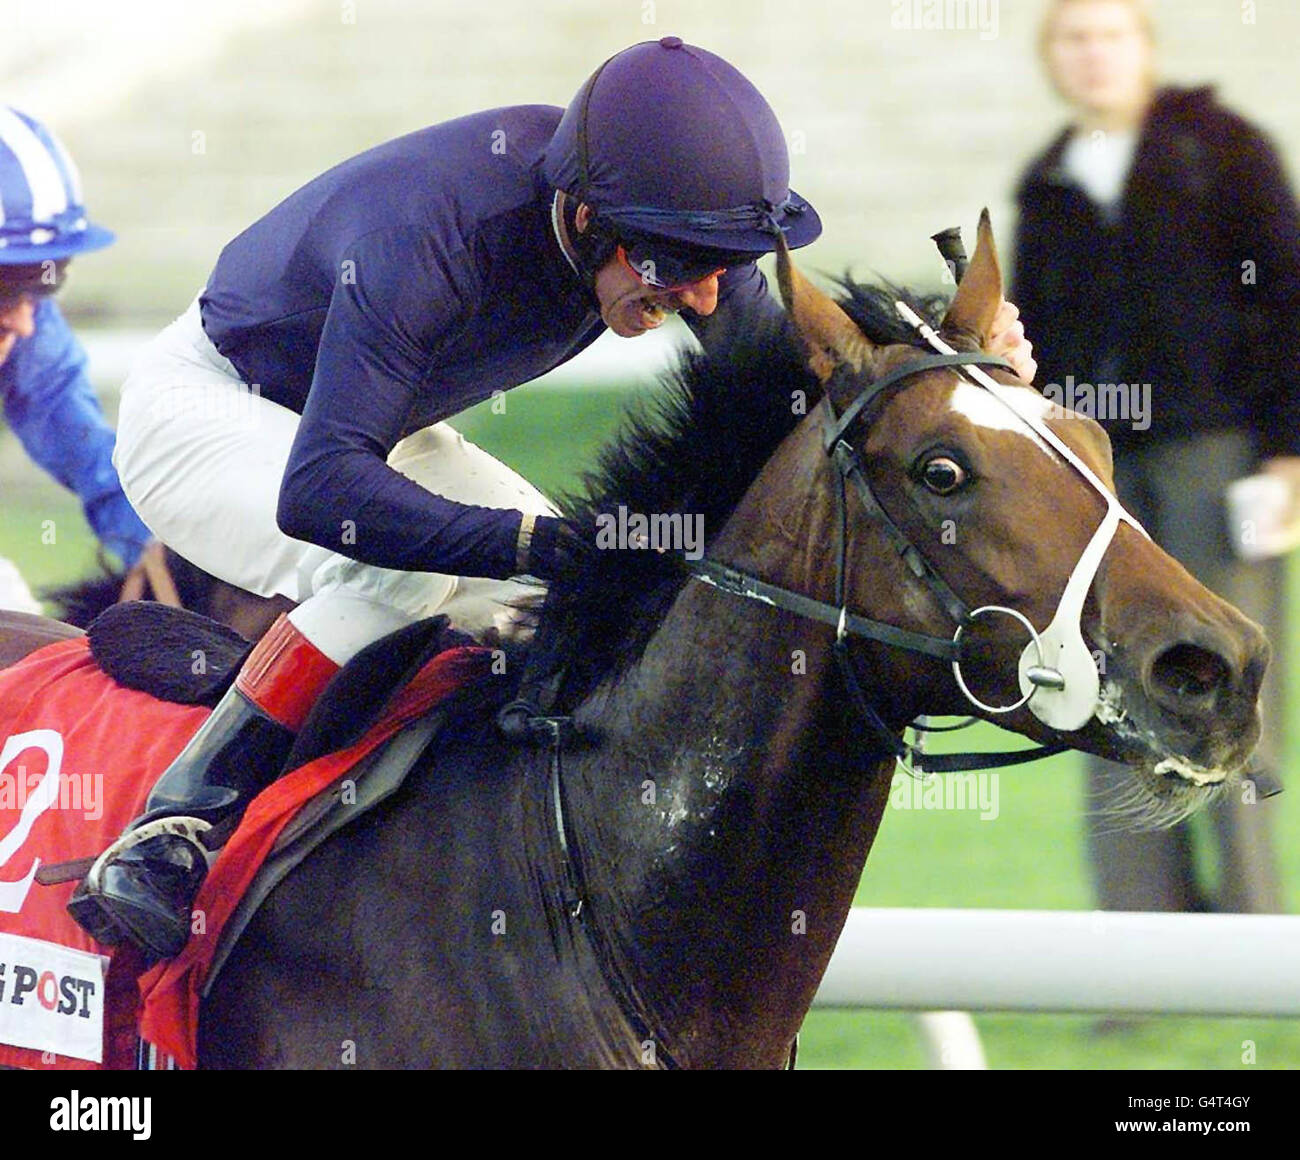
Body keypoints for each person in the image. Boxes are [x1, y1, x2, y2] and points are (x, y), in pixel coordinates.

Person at [70, 37, 1038, 958]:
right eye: (679, 267)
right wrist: (532, 536)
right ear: (584, 219)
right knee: (404, 578)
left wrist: (968, 372)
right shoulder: (426, 233)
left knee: (552, 612)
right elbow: (323, 490)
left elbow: (805, 388)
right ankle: (173, 827)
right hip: (208, 413)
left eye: (717, 268)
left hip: (368, 429)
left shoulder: (650, 217)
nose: (704, 299)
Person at [1011, 0, 1297, 917]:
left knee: (1231, 689)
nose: (1093, 55)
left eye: (1111, 36)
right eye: (1073, 39)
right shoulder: (1046, 182)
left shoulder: (1224, 152)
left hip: (1212, 460)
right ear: (1052, 58)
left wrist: (1290, 453)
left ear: (1147, 48)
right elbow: (1036, 344)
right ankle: (1137, 939)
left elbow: (1292, 304)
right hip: (1098, 480)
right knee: (1104, 689)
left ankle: (1252, 935)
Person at [0, 107, 152, 611]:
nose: (23, 322)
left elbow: (96, 465)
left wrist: (165, 558)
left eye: (45, 280)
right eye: (4, 286)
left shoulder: (31, 328)